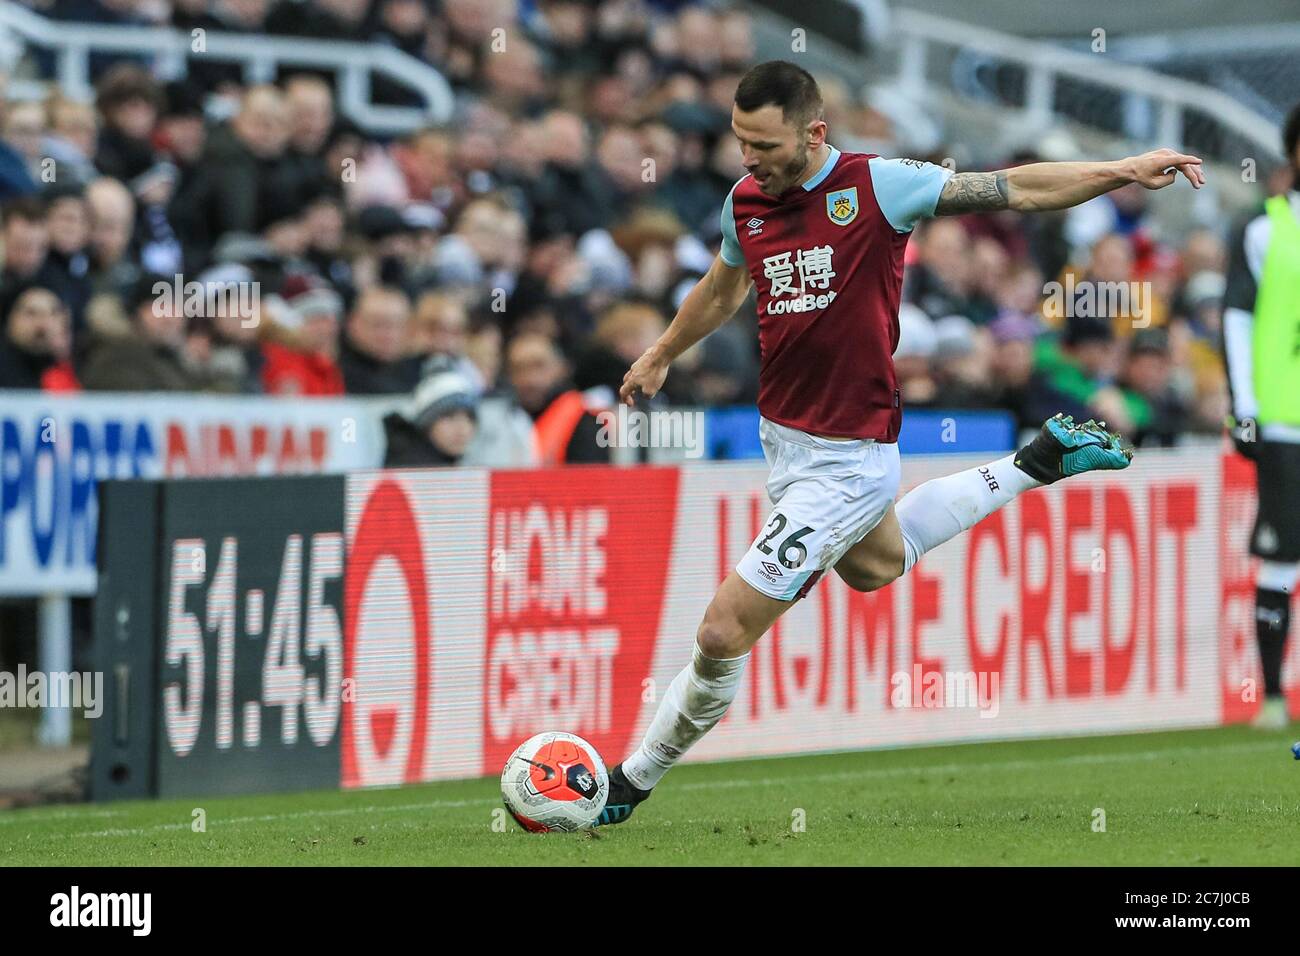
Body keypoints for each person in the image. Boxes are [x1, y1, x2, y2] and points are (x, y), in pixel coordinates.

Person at [600, 60, 1203, 826]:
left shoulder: (880, 186)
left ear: (814, 133)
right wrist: (660, 353)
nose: (747, 158)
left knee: (723, 630)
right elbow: (725, 287)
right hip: (785, 444)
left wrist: (1120, 169)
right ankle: (1036, 461)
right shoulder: (743, 202)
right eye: (739, 141)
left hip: (849, 458)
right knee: (876, 567)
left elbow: (1011, 187)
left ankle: (630, 781)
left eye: (764, 143)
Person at [1222, 99, 1300, 730]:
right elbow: (1238, 318)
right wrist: (1243, 407)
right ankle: (1273, 698)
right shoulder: (1264, 228)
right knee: (1285, 555)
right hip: (1283, 421)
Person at [382, 356, 480, 468]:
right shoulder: (411, 470)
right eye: (449, 417)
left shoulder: (448, 462)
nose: (462, 428)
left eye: (469, 417)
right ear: (426, 423)